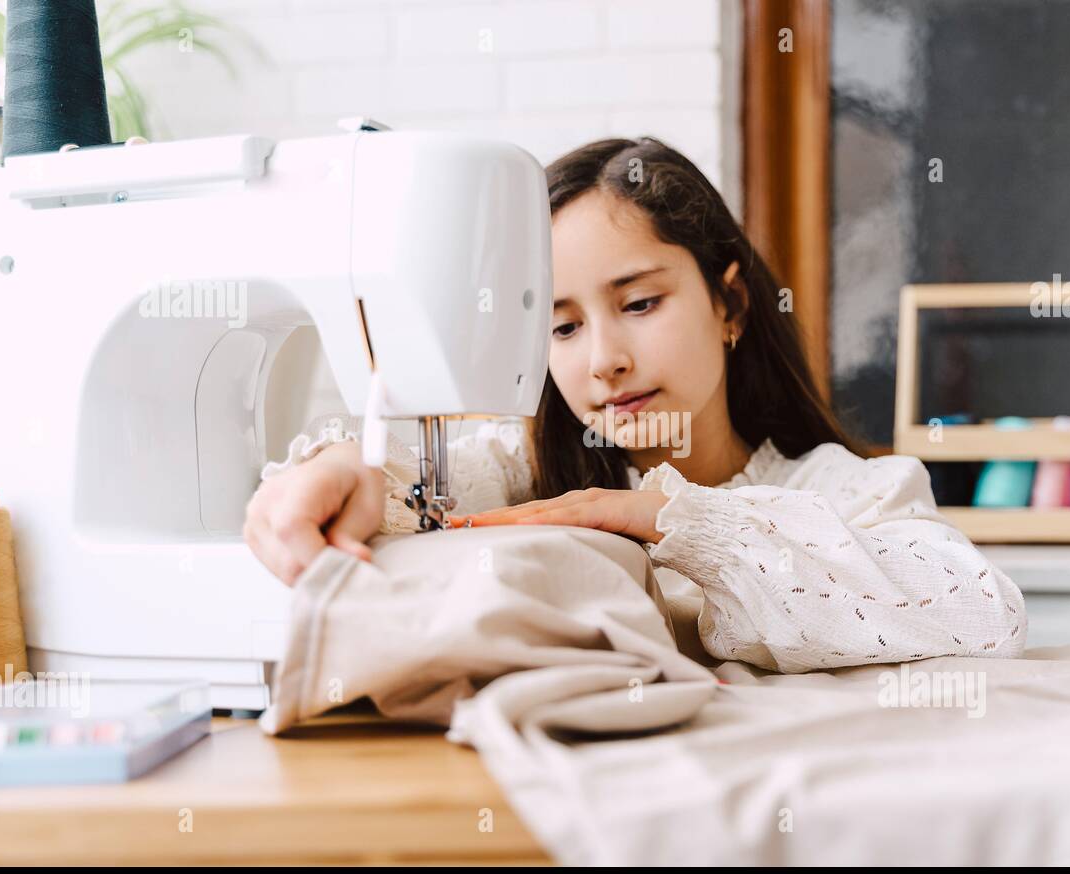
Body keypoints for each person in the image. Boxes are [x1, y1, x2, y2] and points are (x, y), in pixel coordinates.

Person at [245, 137, 1026, 673]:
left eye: (641, 303)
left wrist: (665, 520)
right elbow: (407, 490)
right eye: (562, 326)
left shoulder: (846, 492)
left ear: (730, 306)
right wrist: (344, 469)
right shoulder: (519, 475)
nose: (604, 360)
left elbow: (986, 614)